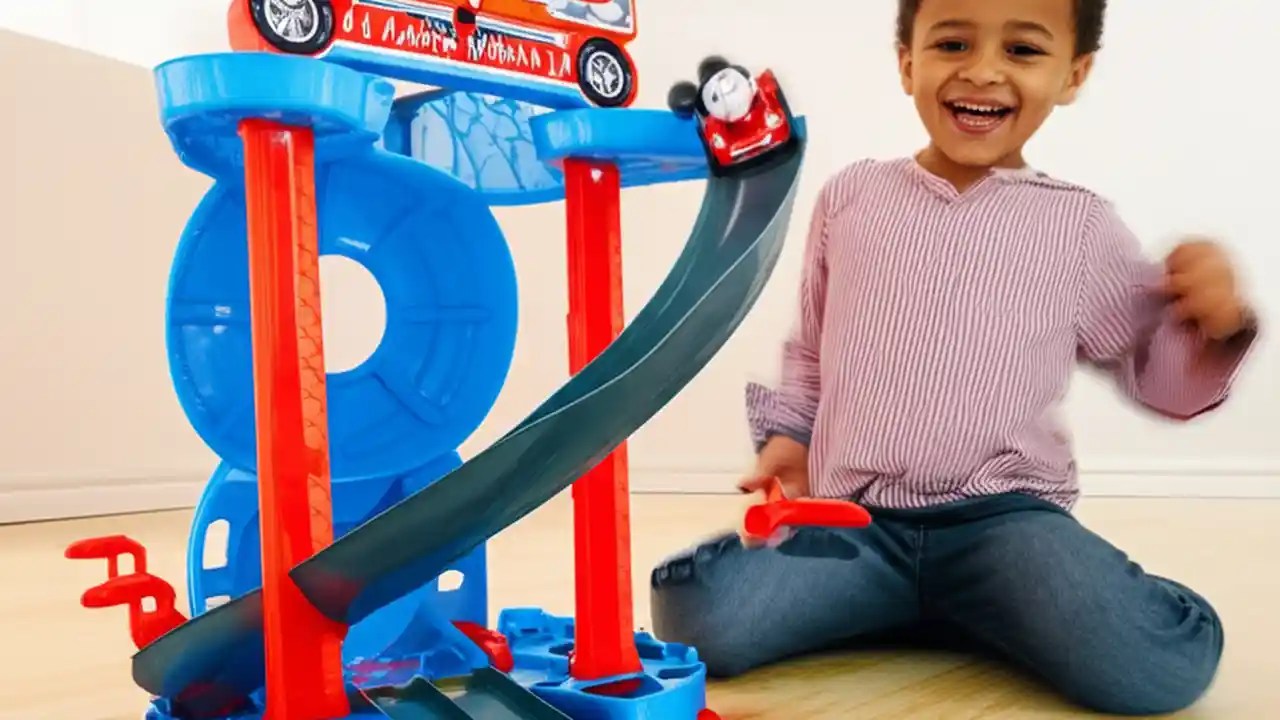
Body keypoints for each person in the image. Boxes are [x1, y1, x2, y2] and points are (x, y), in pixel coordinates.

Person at [648, 0, 1260, 715]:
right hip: (857, 525)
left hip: (1006, 525)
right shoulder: (852, 198)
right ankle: (950, 611)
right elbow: (812, 348)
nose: (983, 71)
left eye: (1023, 50)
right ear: (908, 63)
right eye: (953, 43)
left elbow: (1158, 379)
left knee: (1158, 665)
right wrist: (791, 439)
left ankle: (997, 603)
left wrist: (1215, 323)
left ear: (1073, 74)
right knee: (702, 619)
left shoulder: (1081, 225)